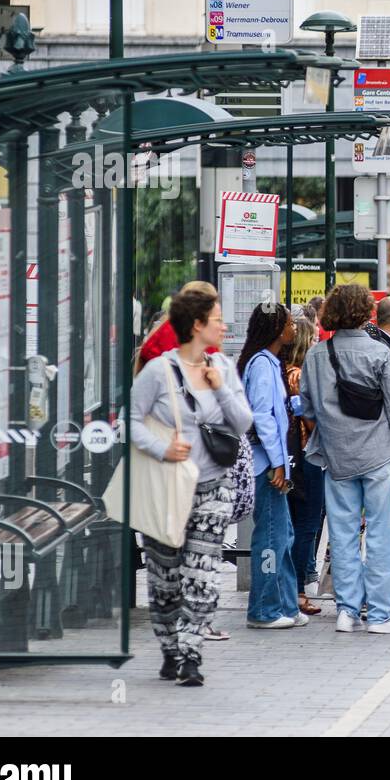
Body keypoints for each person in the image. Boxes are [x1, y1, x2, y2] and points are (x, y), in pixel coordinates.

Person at [130, 287, 253, 687]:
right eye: (217, 318)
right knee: (164, 577)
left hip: (213, 486)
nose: (224, 325)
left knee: (202, 572)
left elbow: (243, 423)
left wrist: (218, 386)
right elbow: (128, 422)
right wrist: (161, 448)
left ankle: (191, 653)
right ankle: (169, 647)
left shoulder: (224, 367)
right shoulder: (157, 372)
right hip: (165, 488)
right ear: (197, 325)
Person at [300, 284, 390, 634]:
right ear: (367, 312)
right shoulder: (380, 354)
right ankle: (380, 614)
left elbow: (307, 407)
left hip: (336, 457)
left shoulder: (317, 355)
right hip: (379, 455)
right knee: (382, 534)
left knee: (342, 533)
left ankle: (346, 610)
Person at [239, 303, 304, 630]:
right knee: (270, 537)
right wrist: (278, 464)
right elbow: (262, 416)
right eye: (291, 323)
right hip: (267, 466)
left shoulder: (266, 362)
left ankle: (287, 605)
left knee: (284, 534)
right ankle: (263, 610)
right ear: (278, 330)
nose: (295, 328)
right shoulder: (263, 364)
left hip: (271, 465)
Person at [284, 316, 324, 614]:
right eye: (312, 341)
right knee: (306, 526)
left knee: (293, 525)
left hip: (289, 458)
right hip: (308, 456)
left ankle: (291, 588)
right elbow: (310, 419)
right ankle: (297, 590)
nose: (315, 345)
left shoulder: (283, 371)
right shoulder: (299, 377)